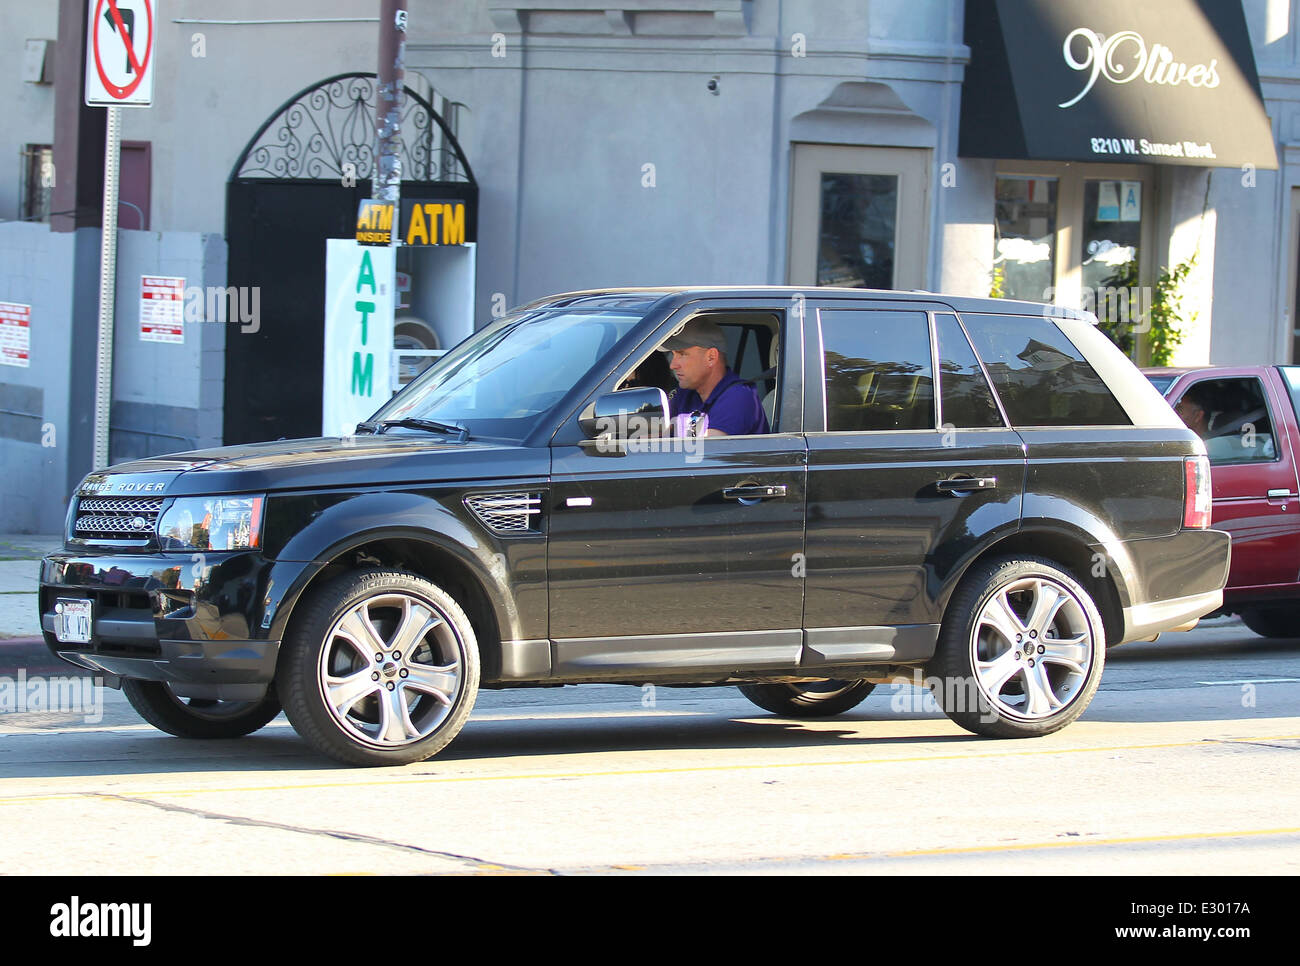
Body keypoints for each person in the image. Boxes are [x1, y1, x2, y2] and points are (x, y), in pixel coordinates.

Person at [661, 319, 769, 437]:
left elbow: (706, 448)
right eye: (673, 355)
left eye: (682, 354)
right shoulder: (686, 393)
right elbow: (655, 433)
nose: (673, 365)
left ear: (711, 357)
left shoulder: (738, 396)